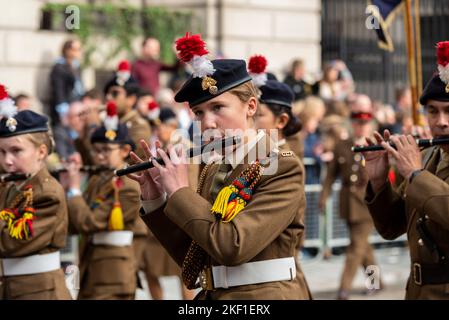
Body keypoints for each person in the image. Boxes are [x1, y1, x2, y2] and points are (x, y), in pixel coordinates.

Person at [128, 33, 311, 300]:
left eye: (218, 107)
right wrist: (156, 199)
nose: (208, 123)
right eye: (199, 113)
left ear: (250, 107)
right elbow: (194, 256)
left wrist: (180, 192)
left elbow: (232, 246)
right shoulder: (215, 166)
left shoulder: (280, 164)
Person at [363, 41, 449, 299]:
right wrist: (379, 181)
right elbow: (391, 227)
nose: (441, 122)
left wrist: (415, 175)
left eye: (448, 112)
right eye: (433, 111)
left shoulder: (418, 167)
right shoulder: (429, 155)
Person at [0, 84, 71, 299]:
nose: (7, 160)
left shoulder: (47, 192)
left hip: (40, 290)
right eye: (1, 152)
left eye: (16, 150)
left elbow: (10, 241)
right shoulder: (11, 184)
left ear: (41, 152)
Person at [64, 104, 140, 299]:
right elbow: (74, 224)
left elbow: (90, 222)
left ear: (124, 150)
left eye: (106, 150)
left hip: (113, 272)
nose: (99, 156)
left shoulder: (128, 184)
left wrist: (74, 190)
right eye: (96, 150)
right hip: (91, 264)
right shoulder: (100, 177)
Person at [319, 94, 381, 300]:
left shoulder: (376, 144)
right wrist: (323, 196)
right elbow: (331, 175)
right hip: (347, 202)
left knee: (355, 247)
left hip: (367, 203)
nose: (361, 127)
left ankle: (343, 288)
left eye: (364, 123)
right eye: (357, 122)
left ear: (370, 123)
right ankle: (376, 282)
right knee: (364, 248)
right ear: (352, 123)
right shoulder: (342, 144)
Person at [49, 39, 84, 125]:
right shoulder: (59, 67)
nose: (79, 52)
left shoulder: (77, 66)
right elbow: (58, 91)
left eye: (80, 49)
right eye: (76, 49)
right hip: (65, 110)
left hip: (76, 106)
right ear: (67, 51)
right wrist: (63, 113)